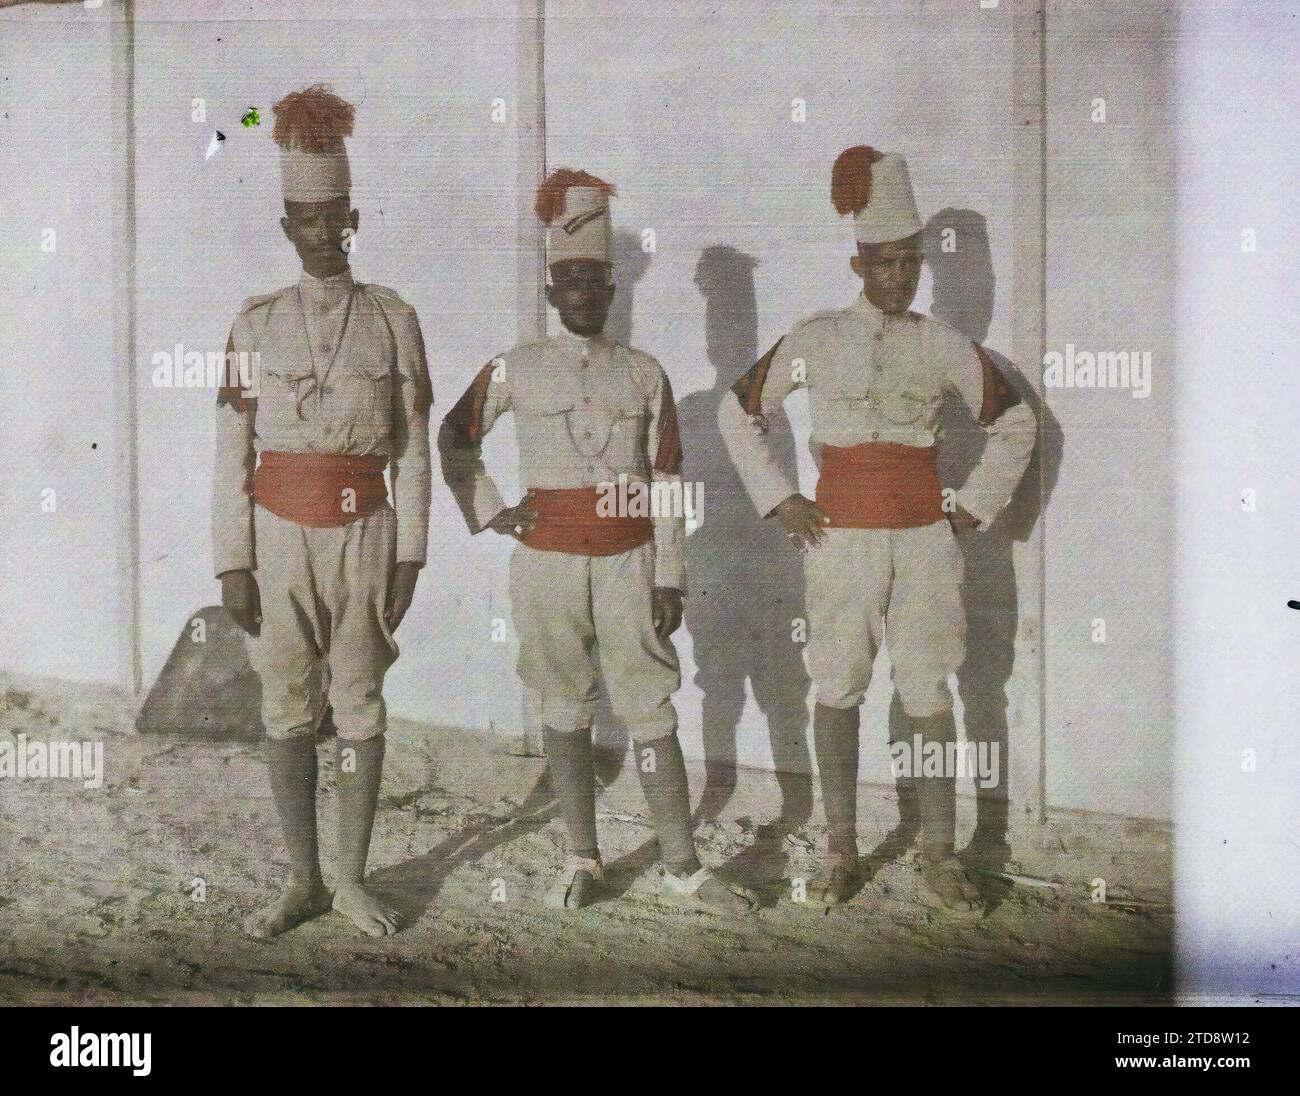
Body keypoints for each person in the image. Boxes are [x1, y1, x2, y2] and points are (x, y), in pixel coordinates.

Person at [718, 147, 1036, 912]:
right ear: (858, 264)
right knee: (838, 686)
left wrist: (970, 506)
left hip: (926, 541)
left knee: (931, 689)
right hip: (840, 543)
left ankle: (937, 852)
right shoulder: (817, 337)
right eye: (884, 263)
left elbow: (1016, 423)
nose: (899, 276)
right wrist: (779, 498)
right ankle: (839, 847)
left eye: (910, 262)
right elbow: (739, 412)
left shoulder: (943, 344)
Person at [438, 169, 751, 915]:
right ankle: (582, 856)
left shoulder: (645, 375)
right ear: (552, 290)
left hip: (627, 559)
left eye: (595, 280)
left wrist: (669, 574)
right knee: (565, 704)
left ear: (613, 291)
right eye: (568, 279)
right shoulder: (517, 364)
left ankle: (680, 863)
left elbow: (668, 477)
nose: (582, 292)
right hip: (546, 564)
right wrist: (492, 510)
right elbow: (455, 434)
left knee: (650, 708)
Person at [213, 85, 432, 938]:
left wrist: (411, 554)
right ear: (287, 228)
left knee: (361, 702)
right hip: (278, 539)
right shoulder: (252, 325)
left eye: (337, 217)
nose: (325, 233)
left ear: (353, 218)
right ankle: (302, 879)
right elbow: (231, 448)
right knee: (287, 707)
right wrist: (233, 558)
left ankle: (350, 877)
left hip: (366, 536)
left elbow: (409, 446)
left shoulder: (395, 319)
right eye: (307, 219)